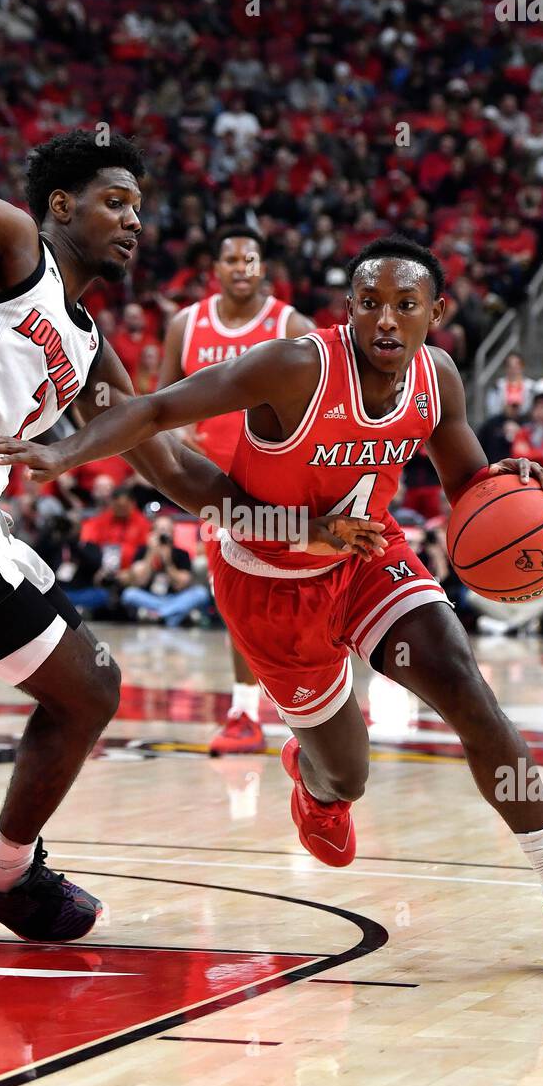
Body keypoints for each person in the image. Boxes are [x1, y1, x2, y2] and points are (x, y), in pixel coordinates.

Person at [0, 10, 377, 943]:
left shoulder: (91, 350)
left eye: (139, 207)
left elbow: (173, 465)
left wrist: (301, 529)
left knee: (91, 685)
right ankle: (1, 874)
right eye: (116, 202)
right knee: (86, 689)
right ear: (60, 206)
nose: (134, 220)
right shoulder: (11, 246)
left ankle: (4, 869)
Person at [0, 233, 543, 966]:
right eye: (370, 304)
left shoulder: (439, 380)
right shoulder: (297, 365)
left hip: (369, 557)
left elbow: (468, 491)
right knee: (349, 771)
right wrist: (62, 452)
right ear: (349, 310)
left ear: (436, 312)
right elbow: (157, 411)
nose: (387, 321)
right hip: (270, 580)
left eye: (406, 305)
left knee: (465, 684)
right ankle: (318, 786)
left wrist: (508, 487)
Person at [157, 225, 315, 755]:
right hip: (215, 495)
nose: (242, 266)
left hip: (280, 486)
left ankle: (307, 713)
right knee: (238, 606)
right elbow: (162, 401)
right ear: (217, 269)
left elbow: (329, 386)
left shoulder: (288, 323)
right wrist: (180, 438)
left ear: (263, 268)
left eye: (251, 258)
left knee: (296, 608)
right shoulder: (187, 323)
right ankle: (246, 714)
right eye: (232, 259)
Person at [119, 515, 211, 626]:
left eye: (167, 530)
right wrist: (150, 554)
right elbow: (139, 581)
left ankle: (158, 615)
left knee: (201, 593)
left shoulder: (182, 553)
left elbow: (181, 584)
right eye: (160, 530)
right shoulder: (143, 551)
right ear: (152, 533)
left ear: (173, 533)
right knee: (129, 594)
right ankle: (174, 614)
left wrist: (168, 562)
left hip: (175, 597)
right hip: (150, 598)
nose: (163, 534)